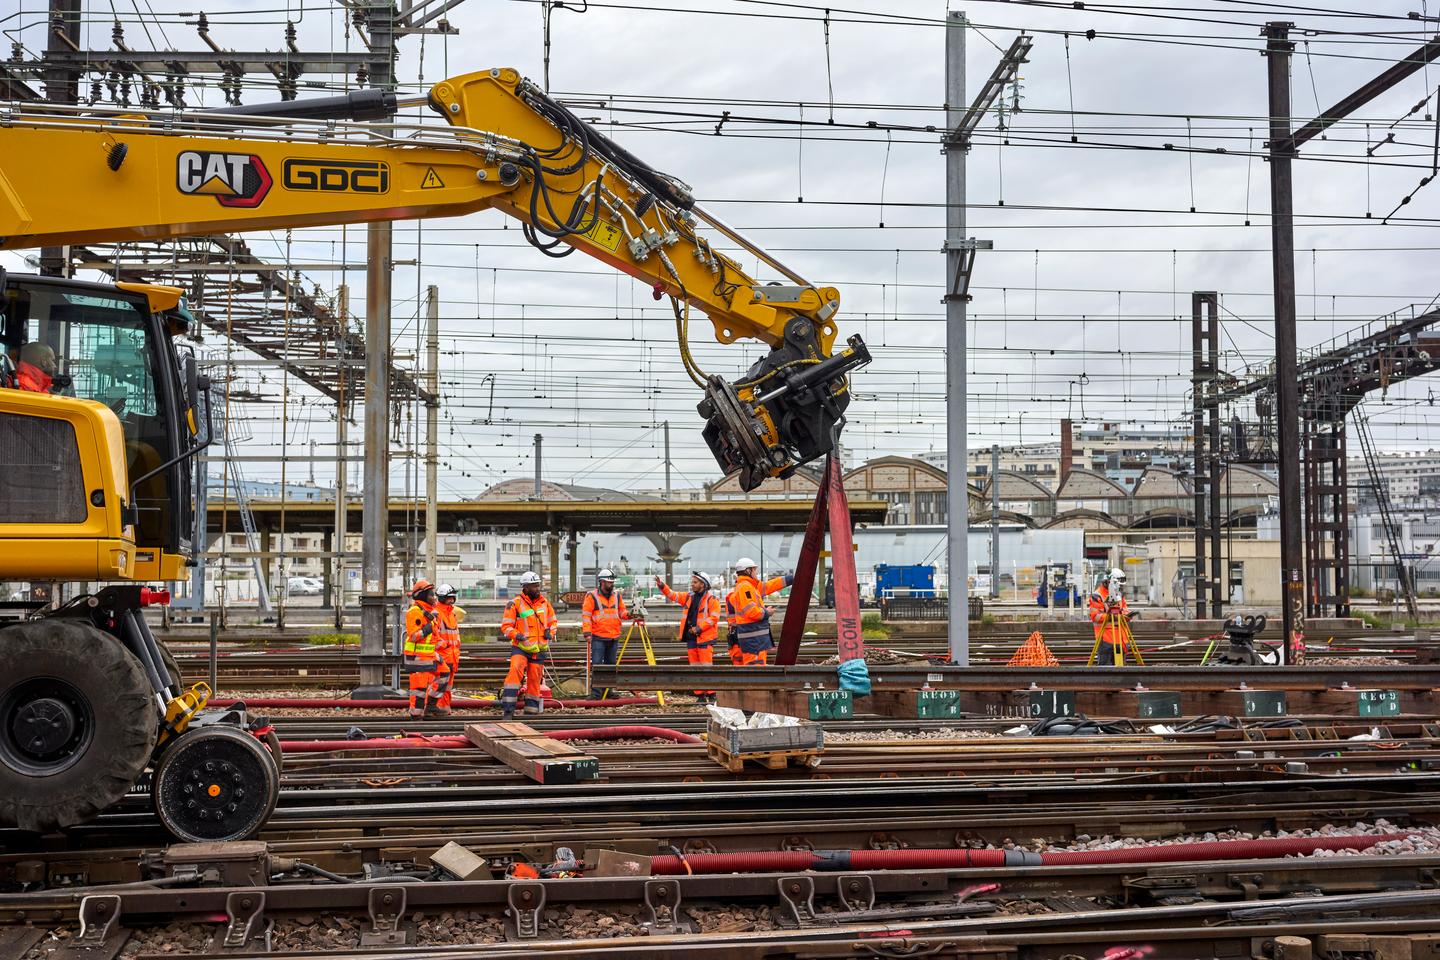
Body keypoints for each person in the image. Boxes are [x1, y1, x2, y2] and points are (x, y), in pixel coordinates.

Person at [655, 572, 721, 703]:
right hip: (691, 638)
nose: (692, 584)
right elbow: (673, 595)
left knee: (706, 667)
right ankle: (700, 695)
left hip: (704, 638)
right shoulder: (689, 597)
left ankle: (711, 694)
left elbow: (714, 618)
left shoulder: (712, 599)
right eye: (692, 582)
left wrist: (699, 628)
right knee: (695, 668)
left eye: (695, 582)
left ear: (703, 584)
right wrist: (662, 586)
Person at [500, 571, 557, 719]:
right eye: (534, 586)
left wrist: (550, 632)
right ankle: (508, 710)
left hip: (539, 649)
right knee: (514, 673)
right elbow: (506, 627)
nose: (537, 588)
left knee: (535, 679)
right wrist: (516, 635)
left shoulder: (544, 603)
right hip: (521, 647)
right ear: (525, 587)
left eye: (538, 585)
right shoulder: (515, 604)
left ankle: (531, 710)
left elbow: (553, 621)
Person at [582, 568, 639, 700]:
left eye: (612, 582)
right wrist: (587, 632)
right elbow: (586, 615)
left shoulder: (617, 596)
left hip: (613, 636)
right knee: (597, 665)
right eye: (609, 582)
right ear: (602, 582)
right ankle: (596, 692)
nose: (611, 584)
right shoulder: (592, 596)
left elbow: (621, 612)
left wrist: (630, 614)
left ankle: (608, 690)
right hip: (598, 636)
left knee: (611, 665)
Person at [725, 558, 793, 666]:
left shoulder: (751, 586)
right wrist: (766, 612)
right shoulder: (745, 587)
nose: (756, 572)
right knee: (755, 667)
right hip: (753, 638)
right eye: (754, 570)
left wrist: (790, 579)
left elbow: (769, 586)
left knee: (756, 666)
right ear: (748, 571)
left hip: (754, 637)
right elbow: (751, 611)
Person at [403, 579, 449, 719]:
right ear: (422, 596)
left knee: (444, 673)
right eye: (430, 594)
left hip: (428, 655)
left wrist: (442, 645)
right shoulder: (414, 612)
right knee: (419, 689)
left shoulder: (430, 613)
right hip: (417, 657)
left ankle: (430, 706)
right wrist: (429, 627)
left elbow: (433, 638)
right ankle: (416, 716)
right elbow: (414, 636)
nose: (434, 597)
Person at [1088, 568, 1132, 667]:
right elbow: (1095, 616)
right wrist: (1112, 616)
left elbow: (1124, 609)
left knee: (1122, 669)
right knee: (1106, 669)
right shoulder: (1097, 595)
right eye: (1118, 584)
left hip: (1121, 638)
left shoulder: (1119, 594)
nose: (1119, 587)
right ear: (1110, 582)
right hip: (1105, 638)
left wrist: (1127, 615)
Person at [432, 583, 464, 715]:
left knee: (447, 686)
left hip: (452, 657)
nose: (451, 600)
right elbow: (433, 637)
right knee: (438, 684)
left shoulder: (451, 614)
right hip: (442, 657)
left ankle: (444, 708)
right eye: (449, 598)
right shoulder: (436, 613)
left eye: (453, 598)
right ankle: (435, 708)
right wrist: (444, 646)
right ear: (442, 598)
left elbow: (455, 636)